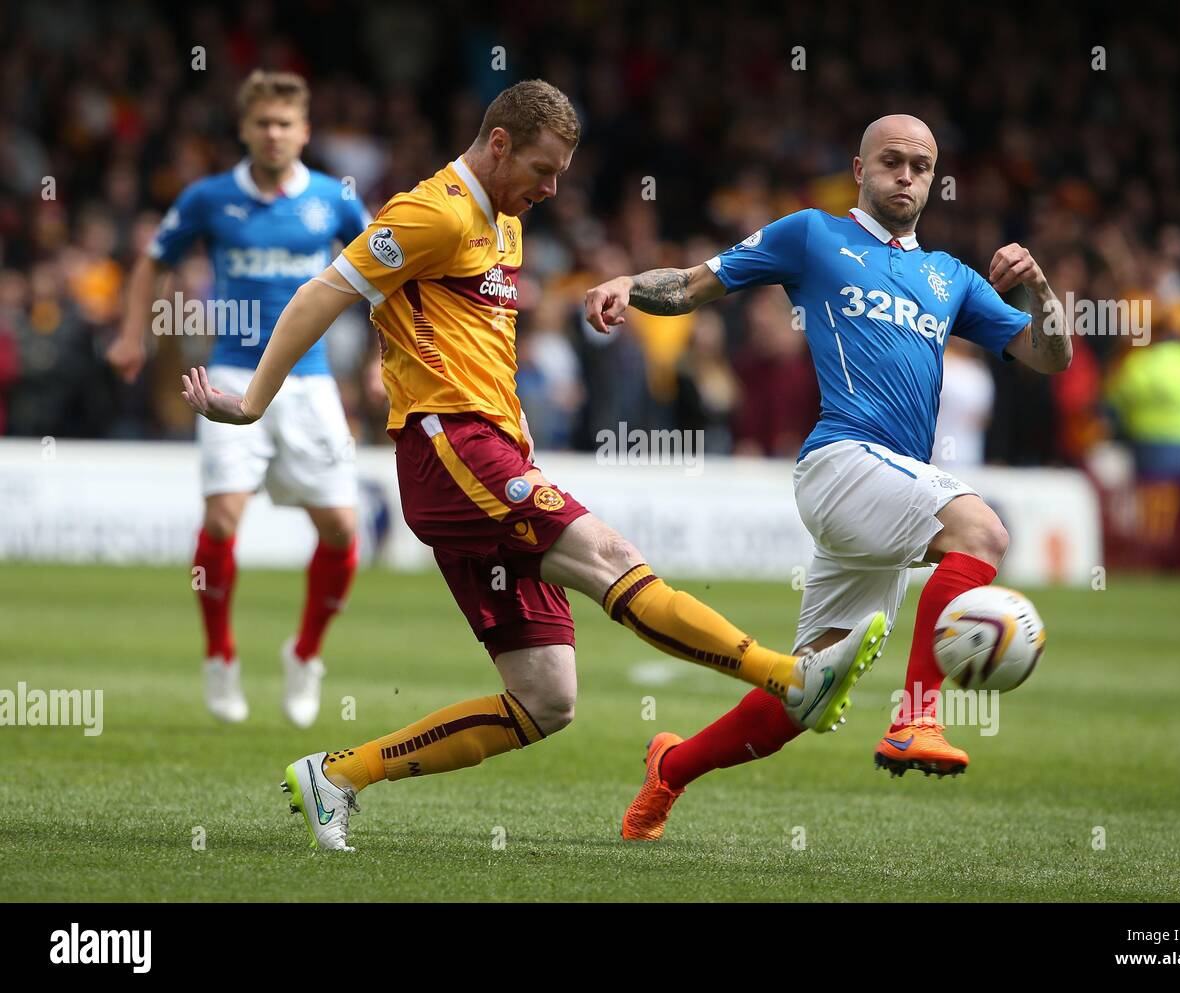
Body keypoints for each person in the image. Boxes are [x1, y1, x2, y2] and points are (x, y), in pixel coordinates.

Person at [180, 80, 881, 853]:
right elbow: (323, 292)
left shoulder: (505, 222)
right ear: (500, 143)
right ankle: (790, 676)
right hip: (449, 447)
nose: (551, 190)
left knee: (547, 698)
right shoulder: (431, 212)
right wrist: (254, 402)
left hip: (493, 451)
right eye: (543, 170)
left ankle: (337, 776)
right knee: (611, 556)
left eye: (561, 176)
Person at [584, 114, 1072, 841]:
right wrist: (629, 279)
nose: (906, 176)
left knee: (803, 696)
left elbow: (1048, 357)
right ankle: (915, 721)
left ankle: (670, 768)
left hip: (892, 483)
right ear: (860, 169)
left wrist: (1037, 288)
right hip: (843, 460)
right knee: (983, 528)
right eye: (892, 162)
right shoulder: (812, 235)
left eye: (920, 166)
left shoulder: (950, 278)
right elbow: (690, 286)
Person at [109, 70, 370, 728]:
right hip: (229, 371)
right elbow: (151, 258)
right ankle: (220, 654)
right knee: (223, 519)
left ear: (305, 131)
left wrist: (383, 361)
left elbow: (382, 276)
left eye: (286, 123)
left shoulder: (334, 202)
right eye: (263, 123)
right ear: (246, 129)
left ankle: (305, 653)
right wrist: (131, 333)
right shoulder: (208, 197)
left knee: (342, 530)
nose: (274, 134)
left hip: (309, 383)